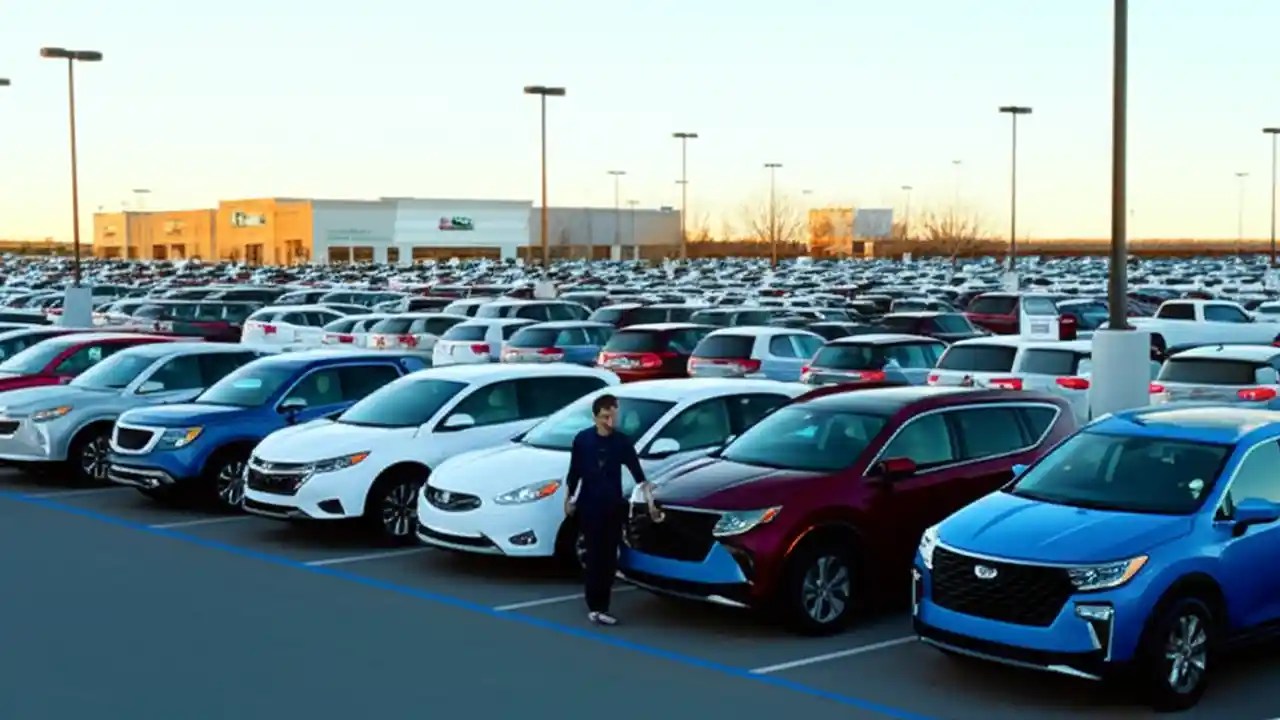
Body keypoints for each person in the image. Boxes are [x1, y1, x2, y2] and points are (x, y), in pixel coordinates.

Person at [564, 393, 662, 626]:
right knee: (593, 555)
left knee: (608, 558)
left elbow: (639, 476)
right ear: (596, 417)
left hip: (611, 506)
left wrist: (651, 504)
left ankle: (602, 606)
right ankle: (594, 605)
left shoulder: (621, 442)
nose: (610, 422)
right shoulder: (583, 440)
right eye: (605, 417)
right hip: (589, 506)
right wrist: (568, 500)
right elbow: (574, 473)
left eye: (613, 416)